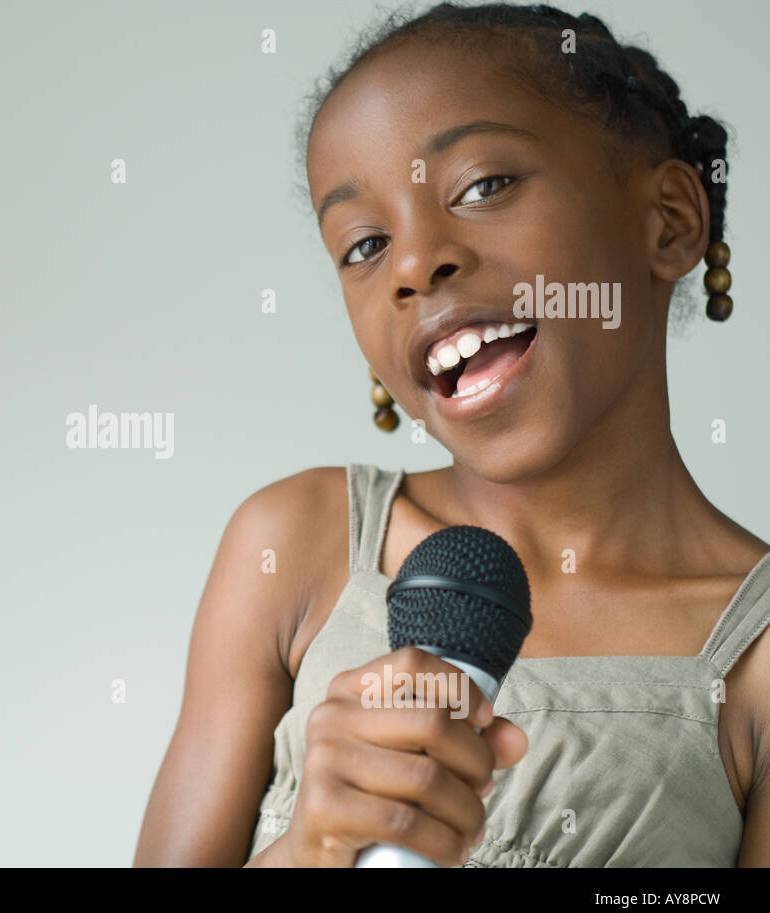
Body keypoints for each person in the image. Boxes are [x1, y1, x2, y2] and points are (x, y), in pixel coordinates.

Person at [133, 2, 770, 867]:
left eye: (483, 186)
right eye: (362, 244)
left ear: (668, 220)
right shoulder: (298, 543)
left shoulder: (756, 656)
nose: (412, 263)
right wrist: (311, 851)